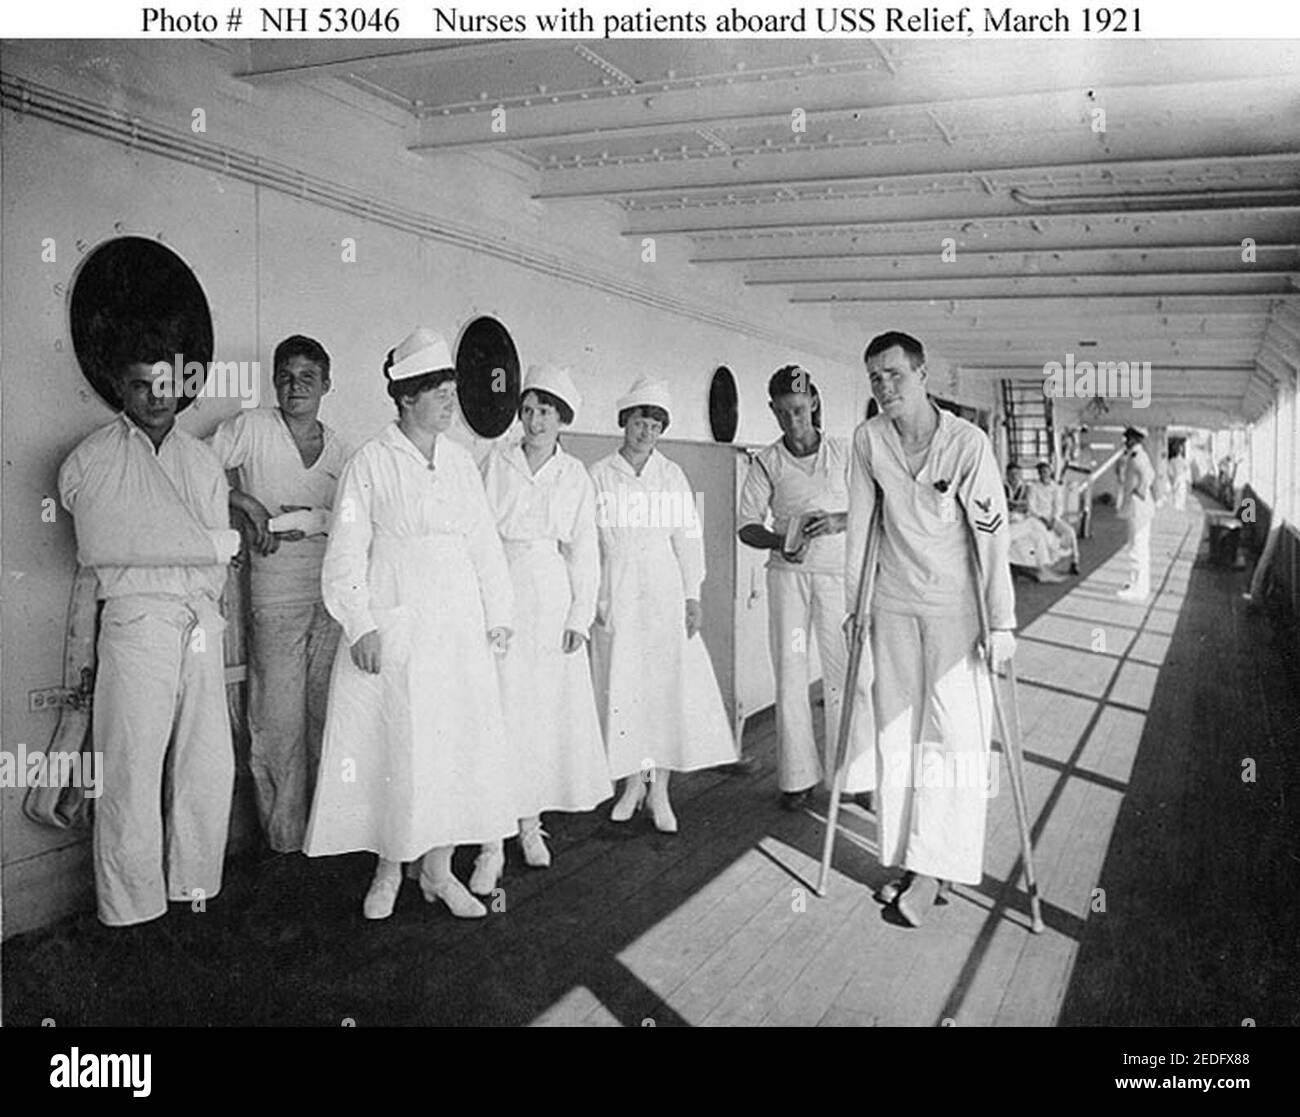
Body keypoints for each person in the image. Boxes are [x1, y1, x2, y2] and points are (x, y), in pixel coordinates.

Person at [303, 328, 517, 920]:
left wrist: (499, 615)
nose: (451, 402)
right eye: (438, 392)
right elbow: (345, 550)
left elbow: (485, 547)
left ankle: (440, 872)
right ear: (405, 399)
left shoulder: (461, 463)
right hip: (396, 616)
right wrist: (360, 624)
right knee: (395, 746)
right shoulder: (370, 462)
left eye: (452, 390)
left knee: (450, 748)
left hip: (457, 626)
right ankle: (388, 870)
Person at [58, 325, 240, 926]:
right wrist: (216, 543)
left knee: (207, 764)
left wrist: (209, 555)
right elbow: (101, 543)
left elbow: (208, 563)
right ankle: (130, 911)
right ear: (122, 390)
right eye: (142, 387)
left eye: (166, 385)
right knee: (130, 768)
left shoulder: (201, 460)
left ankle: (195, 890)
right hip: (137, 622)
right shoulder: (92, 459)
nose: (157, 398)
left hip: (199, 622)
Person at [845, 331, 1017, 928]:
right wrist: (854, 606)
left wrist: (1002, 621)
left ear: (923, 375)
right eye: (874, 379)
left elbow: (993, 540)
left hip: (956, 611)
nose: (884, 387)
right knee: (896, 733)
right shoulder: (868, 441)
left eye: (894, 375)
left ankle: (935, 869)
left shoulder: (967, 445)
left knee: (954, 740)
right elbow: (863, 528)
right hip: (891, 603)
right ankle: (910, 860)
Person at [209, 335, 349, 854]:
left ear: (326, 385)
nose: (295, 388)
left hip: (330, 600)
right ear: (274, 382)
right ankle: (285, 844)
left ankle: (327, 836)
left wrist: (318, 521)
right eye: (286, 377)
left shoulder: (342, 449)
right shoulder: (251, 428)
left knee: (326, 716)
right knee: (276, 724)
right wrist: (243, 503)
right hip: (275, 599)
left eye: (307, 378)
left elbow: (357, 520)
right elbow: (191, 469)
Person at [476, 365, 612, 886]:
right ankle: (491, 841)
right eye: (527, 410)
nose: (533, 420)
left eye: (544, 411)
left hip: (550, 595)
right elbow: (481, 536)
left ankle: (530, 825)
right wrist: (488, 607)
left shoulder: (574, 475)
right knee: (500, 709)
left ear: (562, 419)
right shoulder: (498, 461)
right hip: (503, 585)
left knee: (538, 713)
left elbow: (585, 550)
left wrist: (580, 614)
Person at [589, 376, 737, 833]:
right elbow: (587, 543)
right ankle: (631, 784)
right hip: (616, 588)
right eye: (639, 422)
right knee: (625, 690)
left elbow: (688, 541)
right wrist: (593, 598)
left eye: (654, 424)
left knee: (665, 693)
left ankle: (660, 792)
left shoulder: (671, 475)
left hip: (663, 591)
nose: (645, 432)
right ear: (624, 423)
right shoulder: (598, 475)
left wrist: (692, 595)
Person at [737, 365, 875, 812]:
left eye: (798, 409)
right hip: (789, 579)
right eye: (781, 412)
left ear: (813, 402)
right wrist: (781, 540)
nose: (792, 421)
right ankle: (797, 779)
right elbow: (746, 526)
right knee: (791, 676)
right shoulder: (767, 462)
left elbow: (874, 507)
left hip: (838, 578)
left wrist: (836, 520)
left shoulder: (845, 453)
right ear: (772, 412)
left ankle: (855, 776)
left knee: (847, 677)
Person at [1005, 463, 1065, 583]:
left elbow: (1027, 507)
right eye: (1012, 474)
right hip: (1005, 523)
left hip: (1020, 520)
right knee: (1033, 524)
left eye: (1017, 474)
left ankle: (1044, 571)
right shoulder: (1002, 487)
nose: (1014, 477)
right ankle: (1054, 549)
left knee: (1038, 537)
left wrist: (1018, 507)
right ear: (1007, 475)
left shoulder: (1024, 488)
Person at [1116, 426, 1156, 602]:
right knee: (1138, 547)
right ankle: (1137, 583)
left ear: (1135, 439)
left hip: (1138, 508)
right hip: (1137, 508)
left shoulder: (1137, 456)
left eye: (1128, 438)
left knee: (1137, 548)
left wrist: (1140, 492)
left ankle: (1138, 589)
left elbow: (1149, 476)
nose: (1126, 441)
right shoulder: (1135, 455)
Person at [1028, 460, 1081, 575]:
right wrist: (1042, 519)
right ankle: (1044, 566)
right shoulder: (1034, 487)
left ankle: (1074, 562)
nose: (1045, 474)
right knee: (1043, 537)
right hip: (1038, 519)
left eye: (1047, 471)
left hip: (1053, 519)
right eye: (1042, 472)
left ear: (1050, 472)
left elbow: (1059, 505)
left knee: (1070, 532)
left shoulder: (1055, 487)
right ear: (1039, 473)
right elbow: (1031, 507)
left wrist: (1054, 518)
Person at [1168, 441, 1191, 512]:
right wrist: (1189, 483)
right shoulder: (1185, 461)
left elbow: (1170, 473)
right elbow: (1188, 474)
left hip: (1176, 479)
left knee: (1175, 497)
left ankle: (1176, 510)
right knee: (1181, 496)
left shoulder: (1172, 461)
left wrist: (1171, 482)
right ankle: (1180, 509)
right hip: (1182, 480)